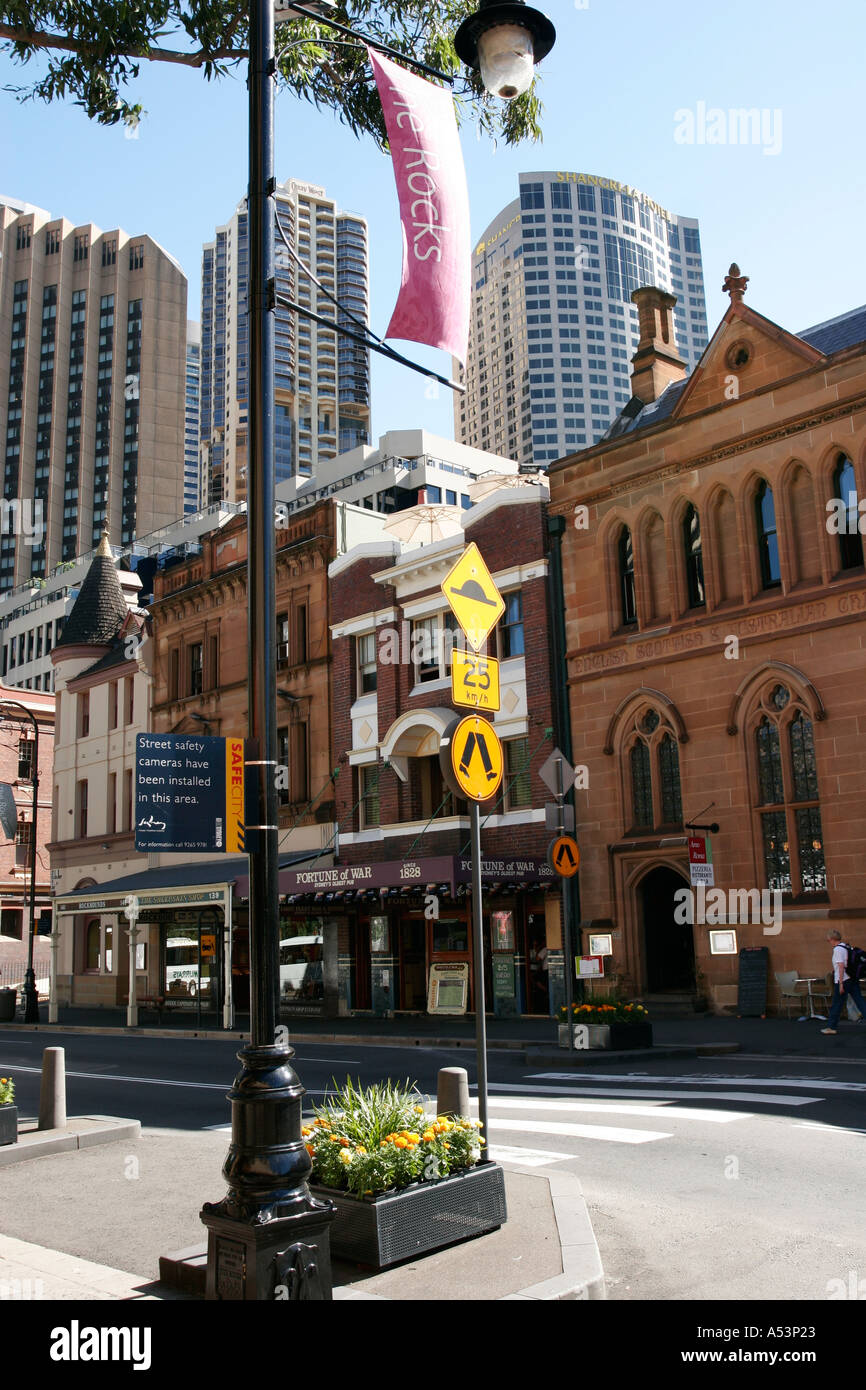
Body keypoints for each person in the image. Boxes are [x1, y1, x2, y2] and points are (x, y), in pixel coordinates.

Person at [821, 930, 866, 1034]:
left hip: (843, 980)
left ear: (832, 939)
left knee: (837, 1003)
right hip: (852, 978)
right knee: (860, 1001)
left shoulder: (837, 950)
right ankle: (831, 1026)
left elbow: (841, 966)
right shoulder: (846, 946)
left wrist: (840, 984)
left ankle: (831, 1027)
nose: (829, 942)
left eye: (828, 940)